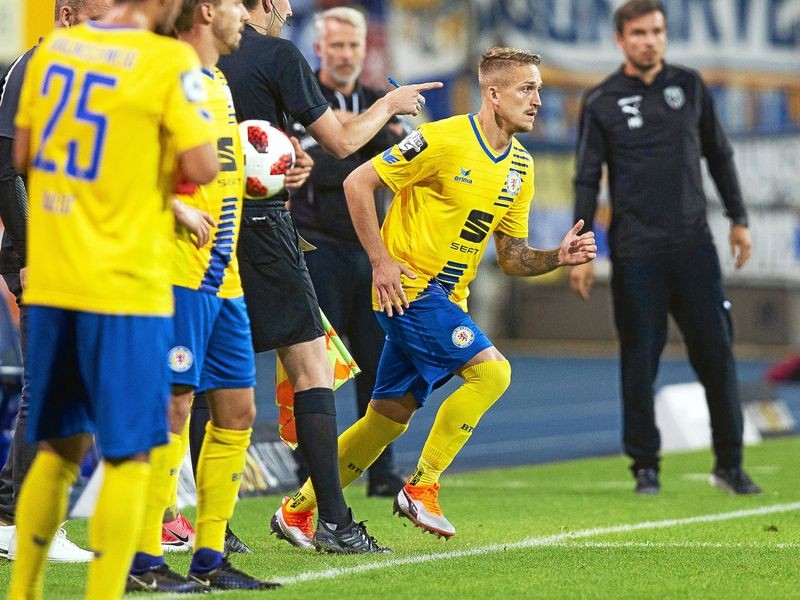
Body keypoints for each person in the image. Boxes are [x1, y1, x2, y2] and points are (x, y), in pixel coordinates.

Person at [273, 47, 597, 543]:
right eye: (526, 89)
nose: (537, 100)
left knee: (387, 420)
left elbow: (510, 257)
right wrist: (381, 262)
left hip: (449, 298)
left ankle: (298, 510)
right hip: (409, 289)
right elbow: (359, 182)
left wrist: (557, 256)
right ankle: (421, 487)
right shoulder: (442, 139)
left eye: (538, 89)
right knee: (493, 373)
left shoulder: (520, 168)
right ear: (493, 93)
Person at [8, 0, 218, 596]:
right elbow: (202, 165)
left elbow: (22, 155)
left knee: (57, 446)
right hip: (125, 286)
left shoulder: (53, 53)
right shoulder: (166, 60)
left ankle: (23, 590)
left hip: (52, 281)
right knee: (129, 453)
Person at [215, 0, 440, 554]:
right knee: (312, 363)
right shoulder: (277, 54)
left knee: (208, 374)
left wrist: (281, 157)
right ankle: (332, 521)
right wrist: (390, 102)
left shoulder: (194, 57)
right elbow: (341, 142)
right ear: (268, 5)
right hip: (266, 228)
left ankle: (204, 528)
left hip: (206, 225)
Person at [569, 0, 761, 496]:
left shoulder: (690, 85)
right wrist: (583, 249)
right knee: (639, 360)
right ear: (620, 40)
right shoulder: (600, 101)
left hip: (694, 247)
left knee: (717, 355)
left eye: (656, 31)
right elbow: (587, 178)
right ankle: (645, 467)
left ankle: (730, 464)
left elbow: (718, 154)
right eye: (638, 33)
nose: (649, 40)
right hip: (636, 252)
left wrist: (738, 219)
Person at [126, 0, 279, 591]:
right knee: (173, 408)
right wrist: (172, 204)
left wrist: (268, 174)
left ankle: (210, 556)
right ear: (207, 9)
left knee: (237, 411)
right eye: (239, 4)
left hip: (224, 277)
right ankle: (144, 559)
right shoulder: (161, 73)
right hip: (174, 272)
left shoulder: (214, 79)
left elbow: (214, 166)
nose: (248, 13)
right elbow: (121, 162)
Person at [0, 0, 110, 564]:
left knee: (64, 385)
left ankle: (8, 517)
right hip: (40, 257)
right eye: (97, 19)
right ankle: (27, 524)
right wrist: (32, 250)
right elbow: (5, 168)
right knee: (50, 387)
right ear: (65, 15)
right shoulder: (34, 68)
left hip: (76, 253)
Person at [288, 6, 405, 498]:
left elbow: (401, 161)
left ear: (365, 50)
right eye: (335, 45)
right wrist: (377, 132)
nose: (344, 54)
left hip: (369, 250)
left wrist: (391, 136)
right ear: (319, 48)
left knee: (379, 362)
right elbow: (328, 158)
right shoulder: (300, 98)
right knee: (314, 366)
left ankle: (379, 470)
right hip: (315, 247)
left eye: (352, 46)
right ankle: (309, 472)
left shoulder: (378, 99)